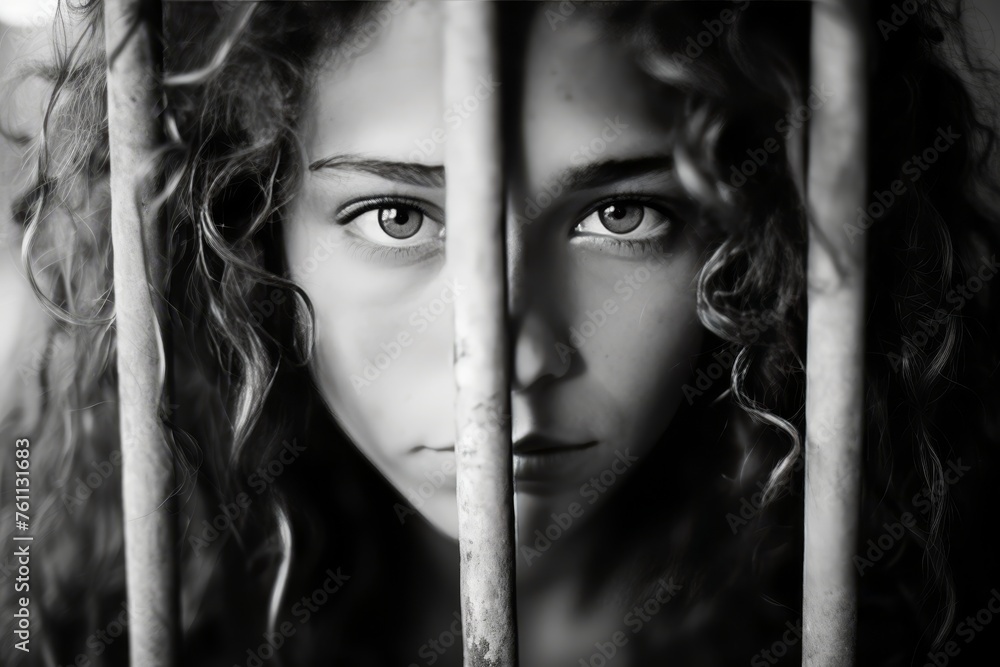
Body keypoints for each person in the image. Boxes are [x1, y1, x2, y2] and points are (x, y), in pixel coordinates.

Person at [2, 1, 998, 664]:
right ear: (251, 234)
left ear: (760, 242)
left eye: (623, 216)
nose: (512, 362)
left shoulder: (913, 602)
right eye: (397, 217)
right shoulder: (73, 595)